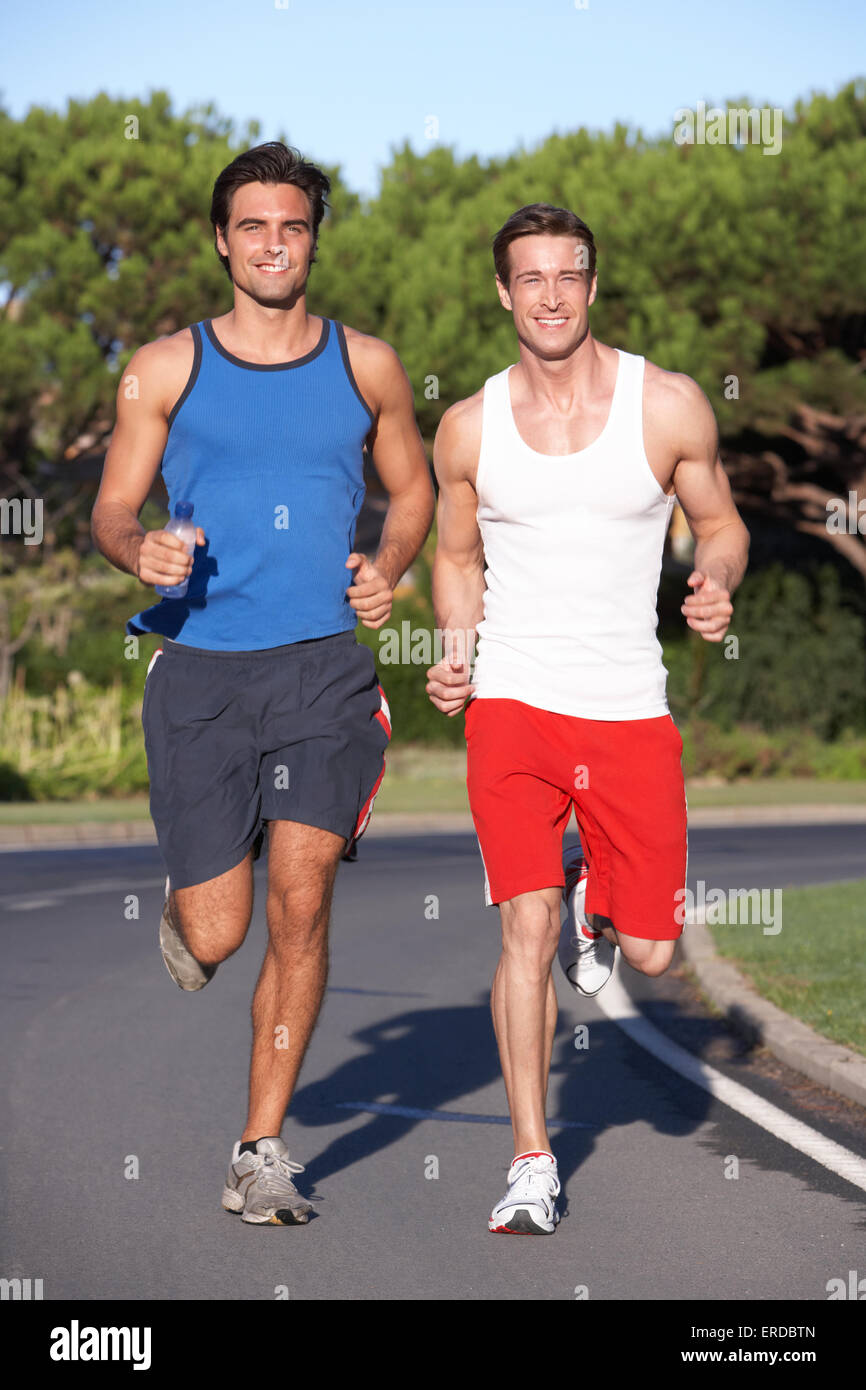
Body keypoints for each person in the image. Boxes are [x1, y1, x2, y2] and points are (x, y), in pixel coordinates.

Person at [91, 142, 434, 1225]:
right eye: (252, 225)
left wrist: (385, 569)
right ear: (221, 239)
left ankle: (260, 1149)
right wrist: (135, 548)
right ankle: (193, 906)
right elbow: (109, 510)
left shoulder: (365, 365)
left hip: (324, 672)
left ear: (312, 237)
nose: (272, 243)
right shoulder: (165, 367)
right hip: (200, 674)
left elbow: (414, 488)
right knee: (217, 933)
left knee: (301, 901)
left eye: (291, 224)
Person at [425, 203, 749, 1235]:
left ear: (592, 285)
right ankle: (530, 1158)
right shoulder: (467, 427)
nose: (551, 294)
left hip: (624, 710)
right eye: (531, 277)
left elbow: (721, 524)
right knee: (519, 929)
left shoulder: (665, 406)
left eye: (568, 274)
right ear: (503, 292)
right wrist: (454, 649)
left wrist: (714, 580)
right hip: (513, 703)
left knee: (653, 954)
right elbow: (456, 556)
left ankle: (595, 895)